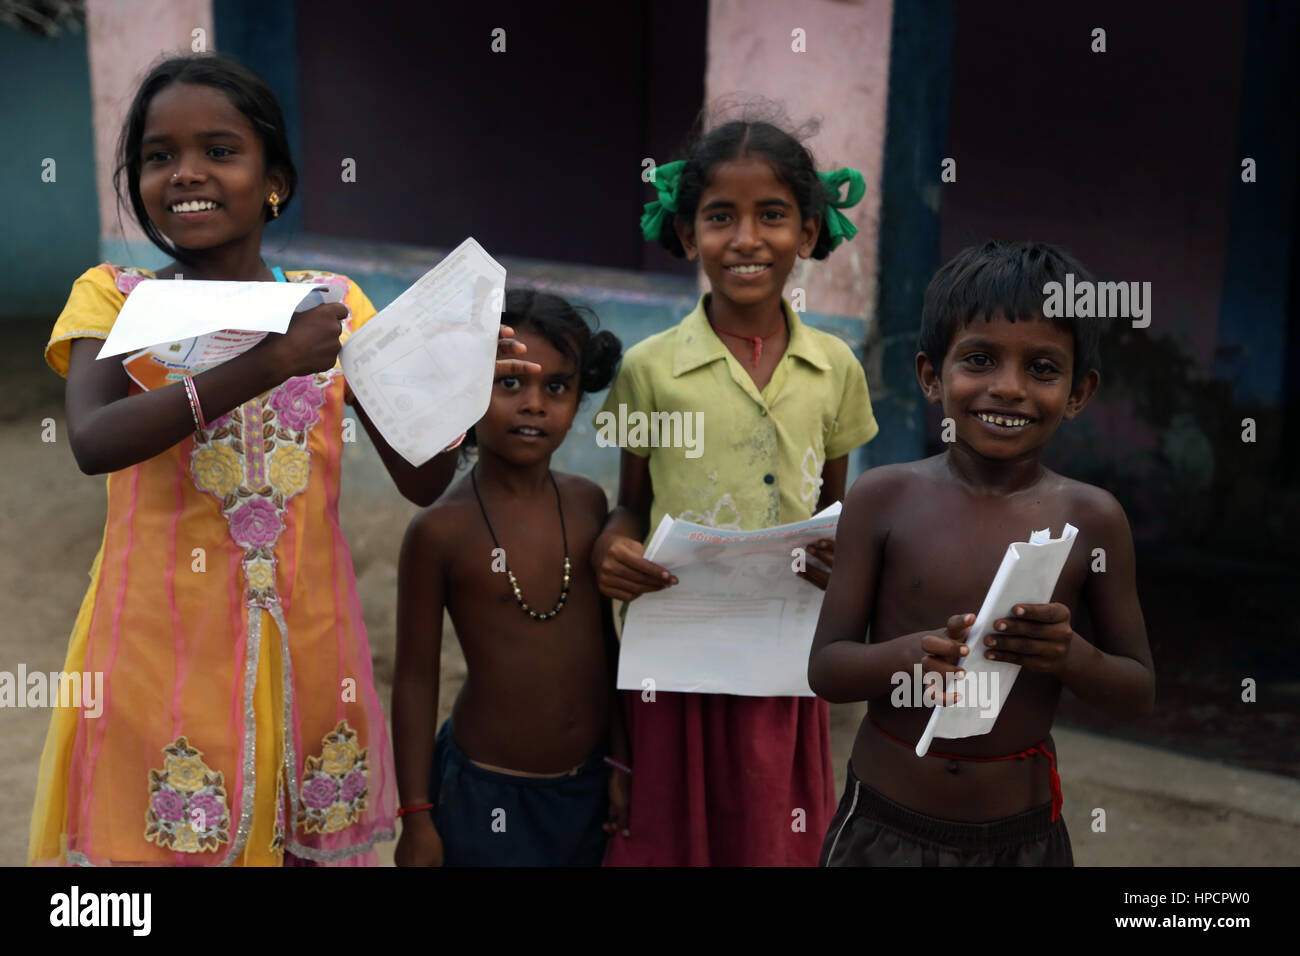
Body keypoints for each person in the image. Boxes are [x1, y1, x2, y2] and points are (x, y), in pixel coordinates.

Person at [28, 53, 536, 866]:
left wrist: (462, 382)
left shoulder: (333, 304)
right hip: (155, 643)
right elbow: (93, 441)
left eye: (219, 151)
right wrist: (267, 362)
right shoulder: (114, 296)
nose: (187, 173)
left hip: (310, 640)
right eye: (159, 157)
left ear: (274, 178)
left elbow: (422, 478)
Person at [808, 240, 1155, 866]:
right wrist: (907, 658)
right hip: (884, 828)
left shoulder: (1093, 519)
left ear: (1079, 392)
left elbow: (1135, 691)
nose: (1009, 388)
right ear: (931, 376)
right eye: (979, 359)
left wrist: (1069, 655)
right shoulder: (884, 498)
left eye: (1043, 370)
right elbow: (827, 669)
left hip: (1018, 840)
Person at [594, 117, 879, 865]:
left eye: (773, 215)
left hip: (784, 659)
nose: (746, 238)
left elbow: (834, 513)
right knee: (674, 830)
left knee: (771, 833)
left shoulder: (836, 368)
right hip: (677, 650)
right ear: (688, 235)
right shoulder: (649, 369)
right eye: (721, 216)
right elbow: (629, 502)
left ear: (809, 230)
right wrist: (613, 545)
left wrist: (841, 561)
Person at [392, 290, 626, 866]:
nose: (534, 405)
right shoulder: (439, 531)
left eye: (556, 387)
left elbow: (608, 649)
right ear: (467, 390)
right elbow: (416, 678)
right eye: (509, 383)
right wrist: (417, 816)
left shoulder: (588, 504)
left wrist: (622, 763)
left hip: (587, 788)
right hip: (482, 793)